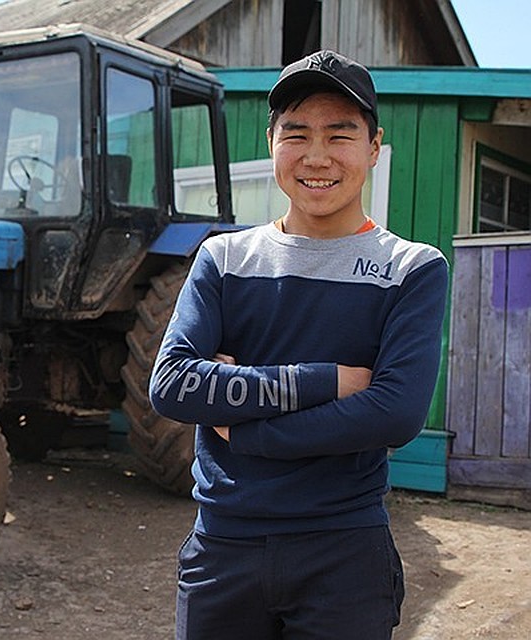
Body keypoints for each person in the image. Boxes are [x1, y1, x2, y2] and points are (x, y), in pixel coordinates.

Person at [149, 50, 448, 640]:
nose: (317, 156)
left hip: (344, 552)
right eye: (297, 134)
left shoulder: (411, 269)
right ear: (271, 142)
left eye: (340, 134)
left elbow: (394, 411)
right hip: (222, 551)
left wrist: (246, 427)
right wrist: (329, 381)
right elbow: (174, 385)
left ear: (373, 147)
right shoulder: (224, 258)